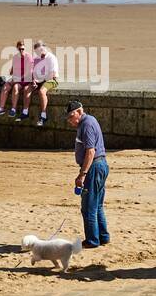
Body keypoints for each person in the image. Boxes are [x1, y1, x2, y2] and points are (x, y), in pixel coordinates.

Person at [66, 101, 109, 249]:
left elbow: (91, 152)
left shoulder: (86, 124)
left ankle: (92, 240)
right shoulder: (89, 121)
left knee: (88, 207)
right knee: (97, 205)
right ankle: (103, 236)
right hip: (100, 165)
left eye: (72, 116)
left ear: (79, 111)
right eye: (69, 118)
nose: (71, 120)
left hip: (94, 167)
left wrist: (82, 174)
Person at [22, 40, 60, 126]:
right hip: (39, 80)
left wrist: (40, 81)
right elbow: (33, 72)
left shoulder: (51, 58)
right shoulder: (36, 58)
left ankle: (43, 115)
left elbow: (52, 75)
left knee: (42, 91)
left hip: (51, 80)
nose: (38, 54)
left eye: (39, 51)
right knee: (26, 88)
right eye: (36, 52)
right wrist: (34, 81)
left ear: (44, 49)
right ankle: (25, 112)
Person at [0, 40, 31, 118]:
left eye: (23, 49)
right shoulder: (15, 57)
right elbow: (12, 71)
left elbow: (28, 72)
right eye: (19, 49)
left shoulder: (28, 57)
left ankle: (13, 109)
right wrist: (11, 74)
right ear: (17, 49)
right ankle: (1, 108)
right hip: (17, 77)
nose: (21, 50)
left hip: (26, 79)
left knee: (15, 87)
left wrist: (17, 79)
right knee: (5, 86)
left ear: (25, 48)